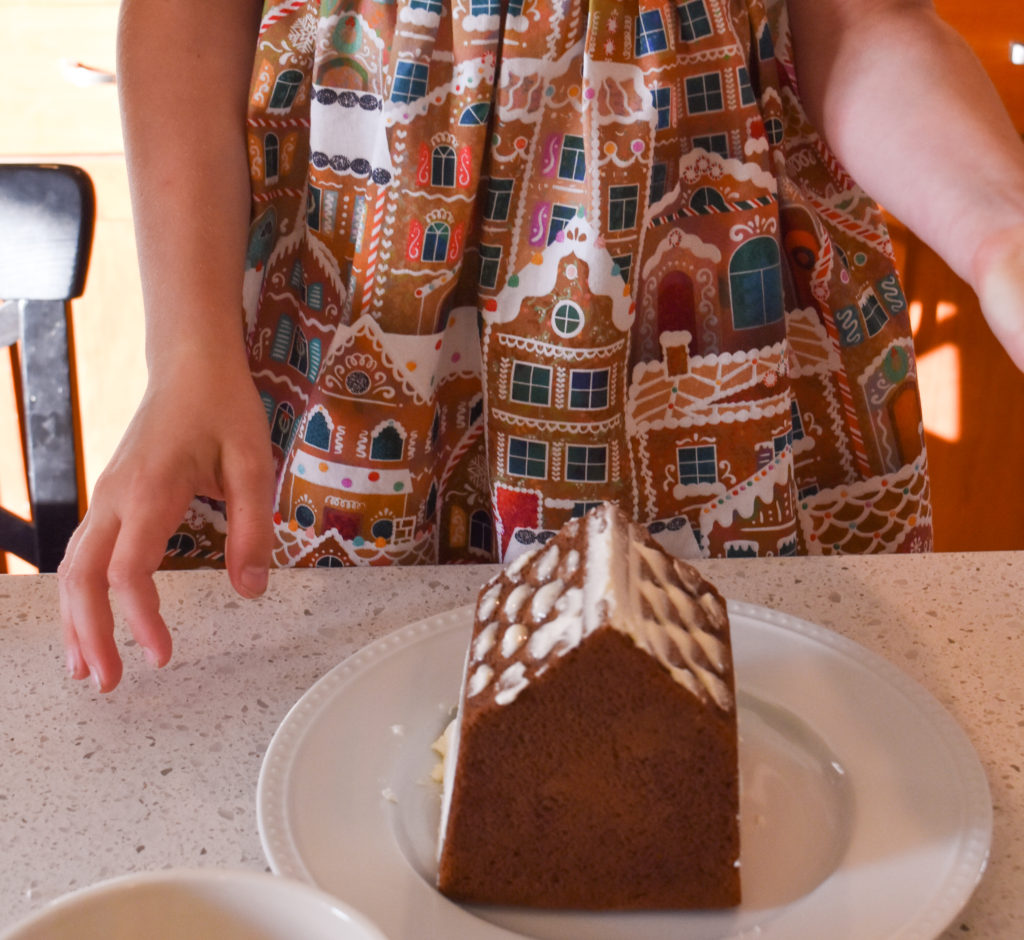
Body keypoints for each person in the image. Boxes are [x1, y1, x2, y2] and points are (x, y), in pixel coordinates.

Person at [60, 0, 1024, 692]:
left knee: (730, 750)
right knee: (334, 752)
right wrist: (189, 348)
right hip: (362, 322)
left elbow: (858, 18)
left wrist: (1001, 234)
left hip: (731, 340)